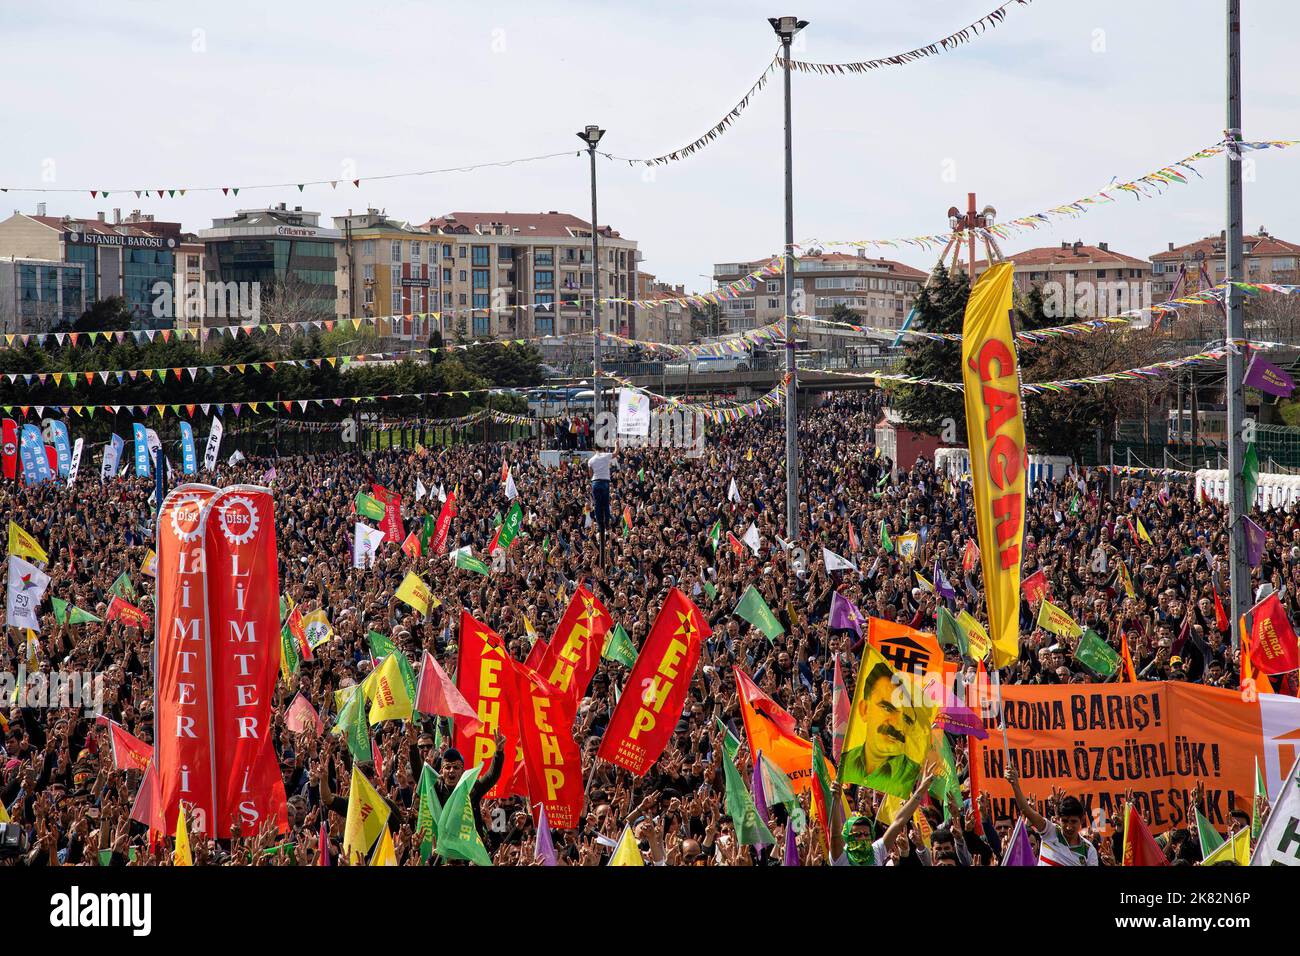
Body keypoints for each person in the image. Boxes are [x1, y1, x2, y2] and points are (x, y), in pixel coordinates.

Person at [1004, 766, 1098, 865]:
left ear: (1082, 820)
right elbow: (1026, 810)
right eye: (1065, 821)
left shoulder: (1089, 850)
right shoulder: (1050, 831)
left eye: (1074, 821)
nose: (1069, 827)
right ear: (1058, 818)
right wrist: (1015, 784)